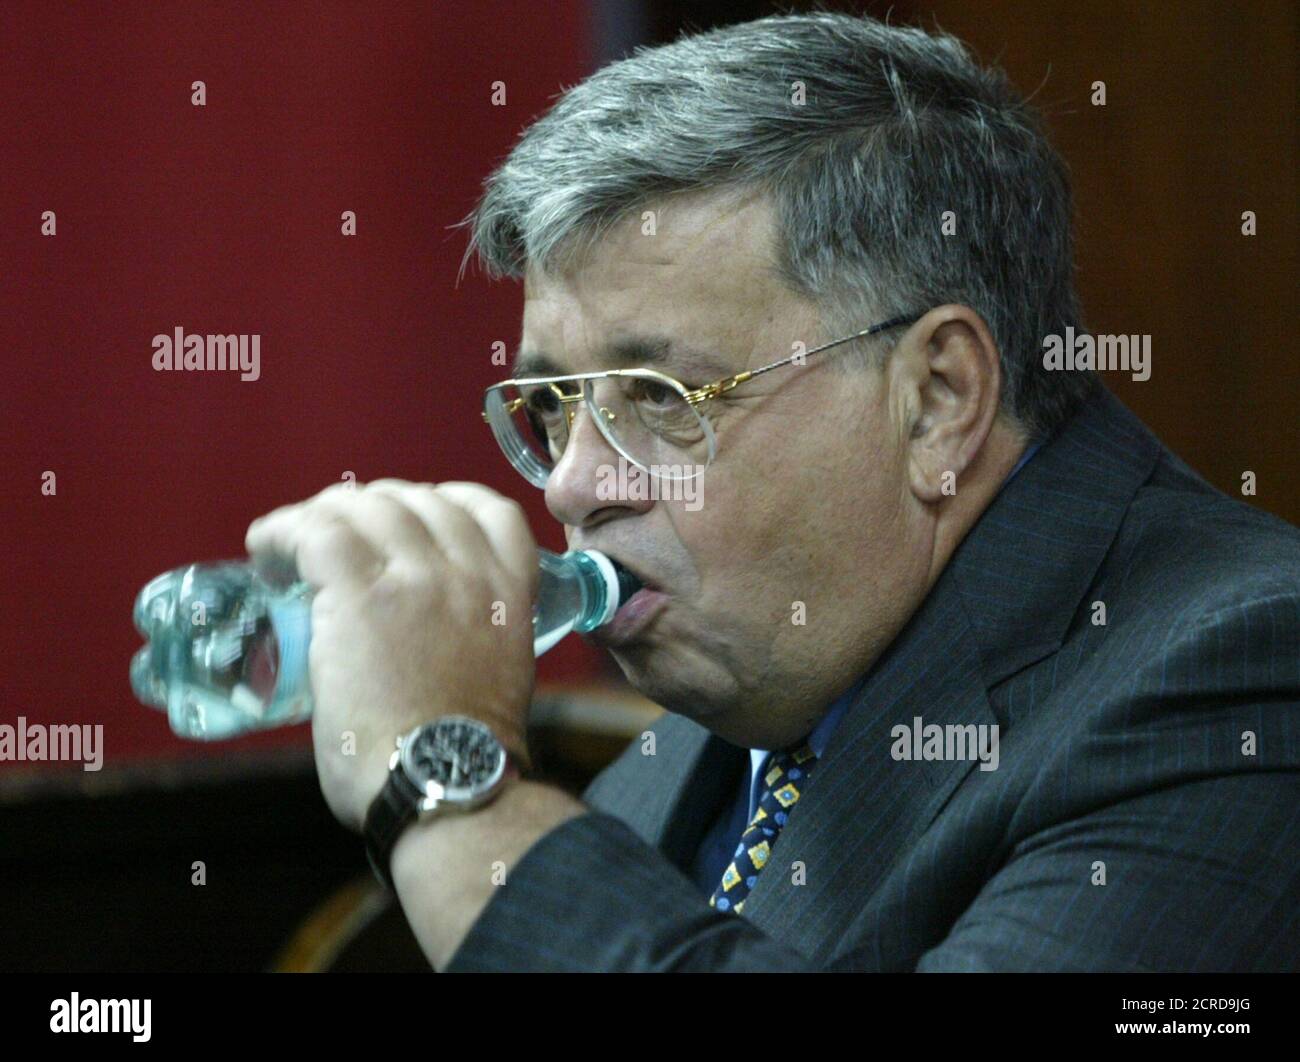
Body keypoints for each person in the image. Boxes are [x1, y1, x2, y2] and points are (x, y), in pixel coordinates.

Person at [245, 12, 1300, 971]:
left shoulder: (1238, 676)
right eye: (556, 403)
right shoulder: (738, 694)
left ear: (937, 399)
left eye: (660, 397)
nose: (574, 483)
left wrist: (452, 787)